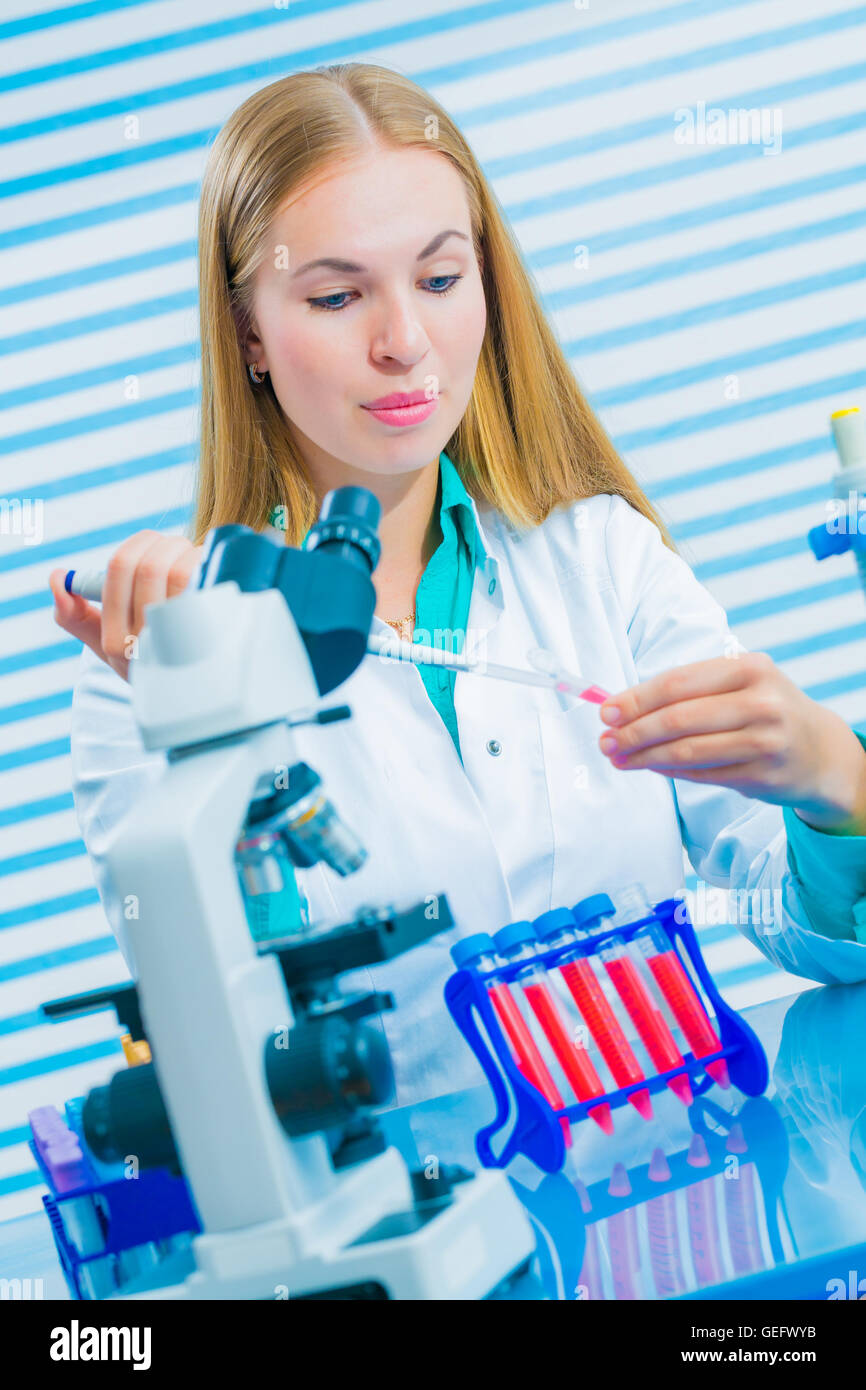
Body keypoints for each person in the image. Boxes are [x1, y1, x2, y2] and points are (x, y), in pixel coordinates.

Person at [50, 62, 866, 1109]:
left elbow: (816, 931)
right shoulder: (156, 661)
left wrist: (835, 788)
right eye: (337, 296)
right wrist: (203, 729)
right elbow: (215, 1053)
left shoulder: (597, 561)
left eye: (439, 279)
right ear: (247, 331)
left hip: (681, 1219)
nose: (404, 343)